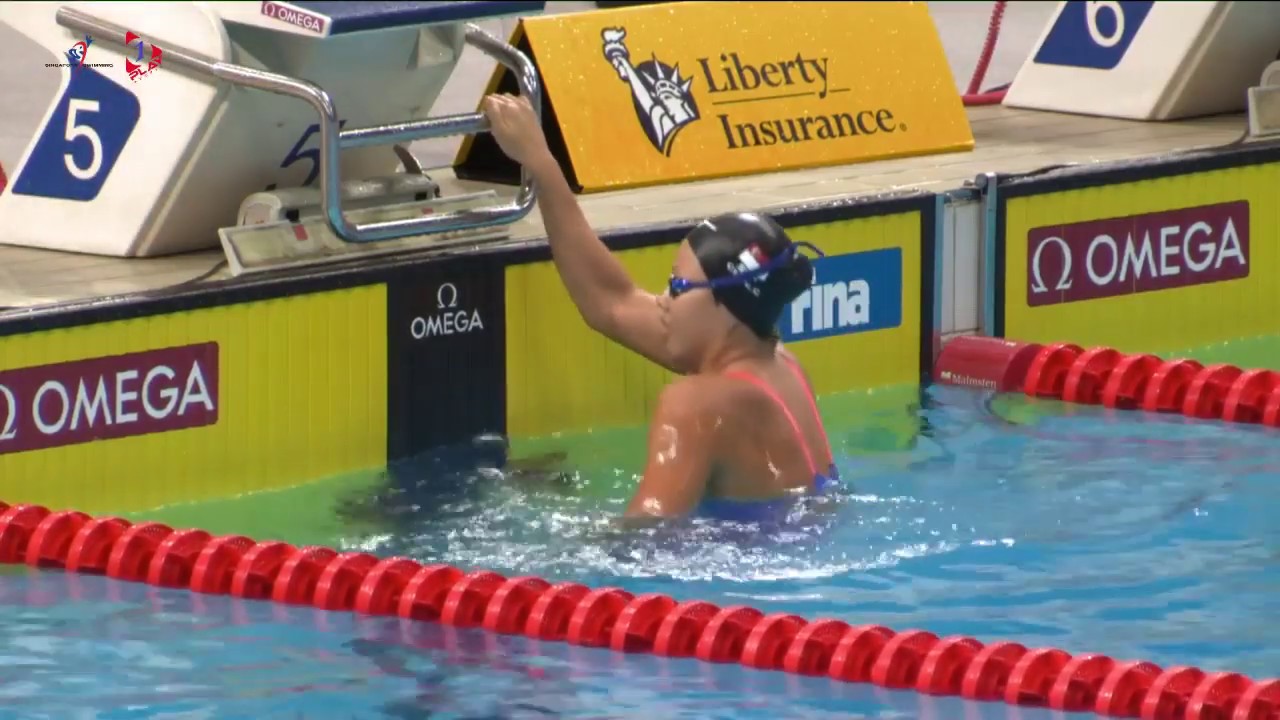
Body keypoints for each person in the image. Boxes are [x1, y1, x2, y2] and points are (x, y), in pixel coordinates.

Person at [481, 93, 840, 523]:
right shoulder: (779, 365)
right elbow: (610, 302)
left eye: (677, 286)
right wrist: (540, 161)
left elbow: (642, 539)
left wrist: (538, 525)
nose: (664, 301)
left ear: (725, 304)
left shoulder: (695, 404)